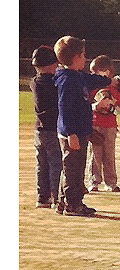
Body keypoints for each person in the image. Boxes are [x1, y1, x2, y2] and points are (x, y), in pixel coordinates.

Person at [53, 36, 111, 218]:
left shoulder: (75, 76)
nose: (85, 58)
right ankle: (72, 204)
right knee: (73, 170)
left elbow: (91, 80)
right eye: (83, 55)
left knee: (73, 167)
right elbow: (65, 108)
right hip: (73, 133)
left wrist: (110, 81)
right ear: (76, 57)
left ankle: (65, 201)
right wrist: (71, 134)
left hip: (79, 131)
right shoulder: (67, 80)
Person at [86, 55, 120, 193]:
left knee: (109, 154)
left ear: (108, 72)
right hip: (95, 124)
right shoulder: (92, 89)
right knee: (94, 154)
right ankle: (94, 181)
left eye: (98, 71)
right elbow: (87, 105)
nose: (95, 75)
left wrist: (112, 106)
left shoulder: (113, 89)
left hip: (110, 126)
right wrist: (96, 106)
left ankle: (111, 182)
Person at [31, 46, 62, 209]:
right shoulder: (53, 83)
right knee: (56, 163)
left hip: (39, 130)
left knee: (41, 164)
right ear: (51, 65)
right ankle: (56, 195)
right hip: (52, 129)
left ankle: (42, 197)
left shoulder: (35, 81)